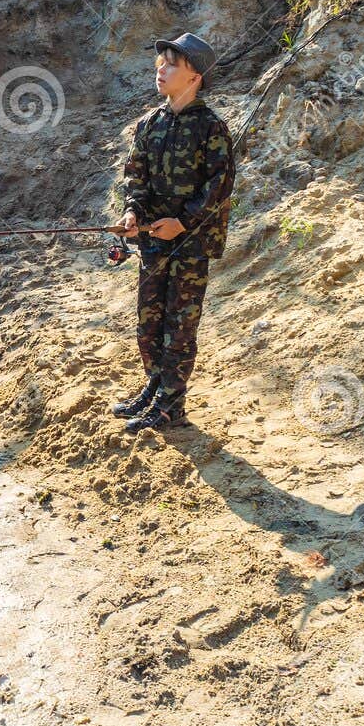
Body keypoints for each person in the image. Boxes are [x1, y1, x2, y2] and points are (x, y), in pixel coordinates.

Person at [113, 32, 236, 433]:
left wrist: (182, 223)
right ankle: (154, 386)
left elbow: (218, 187)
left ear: (195, 76)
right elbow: (136, 177)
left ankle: (171, 406)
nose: (160, 70)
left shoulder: (211, 127)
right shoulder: (150, 124)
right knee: (149, 322)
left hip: (191, 244)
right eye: (159, 64)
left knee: (179, 326)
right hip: (153, 242)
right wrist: (134, 214)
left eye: (171, 65)